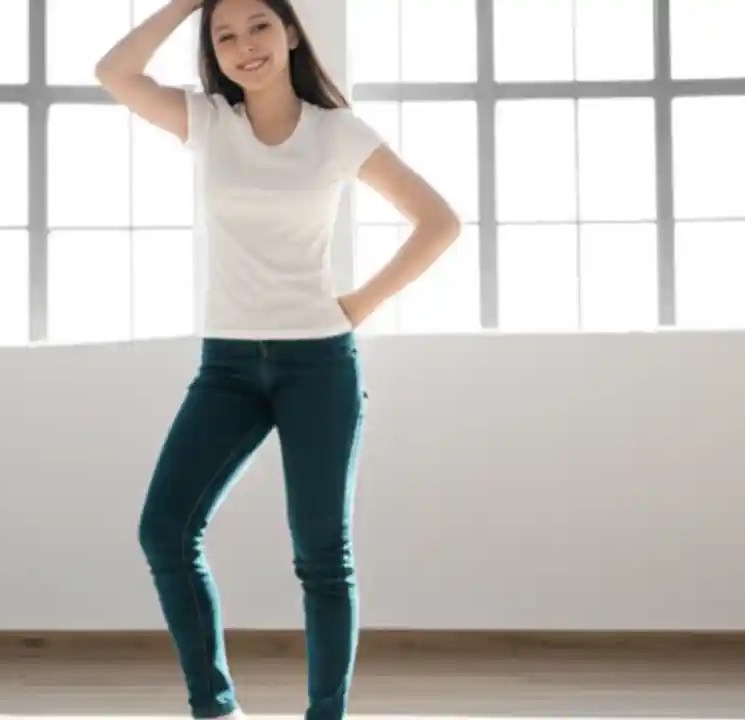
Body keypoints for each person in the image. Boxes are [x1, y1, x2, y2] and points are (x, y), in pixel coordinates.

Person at [95, 0, 461, 717]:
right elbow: (114, 71)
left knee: (322, 556)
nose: (244, 46)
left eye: (258, 25)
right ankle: (215, 707)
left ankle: (325, 716)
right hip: (227, 364)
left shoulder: (336, 133)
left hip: (317, 366)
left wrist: (354, 308)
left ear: (290, 31)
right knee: (165, 530)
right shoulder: (207, 122)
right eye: (224, 36)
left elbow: (439, 221)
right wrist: (187, 4)